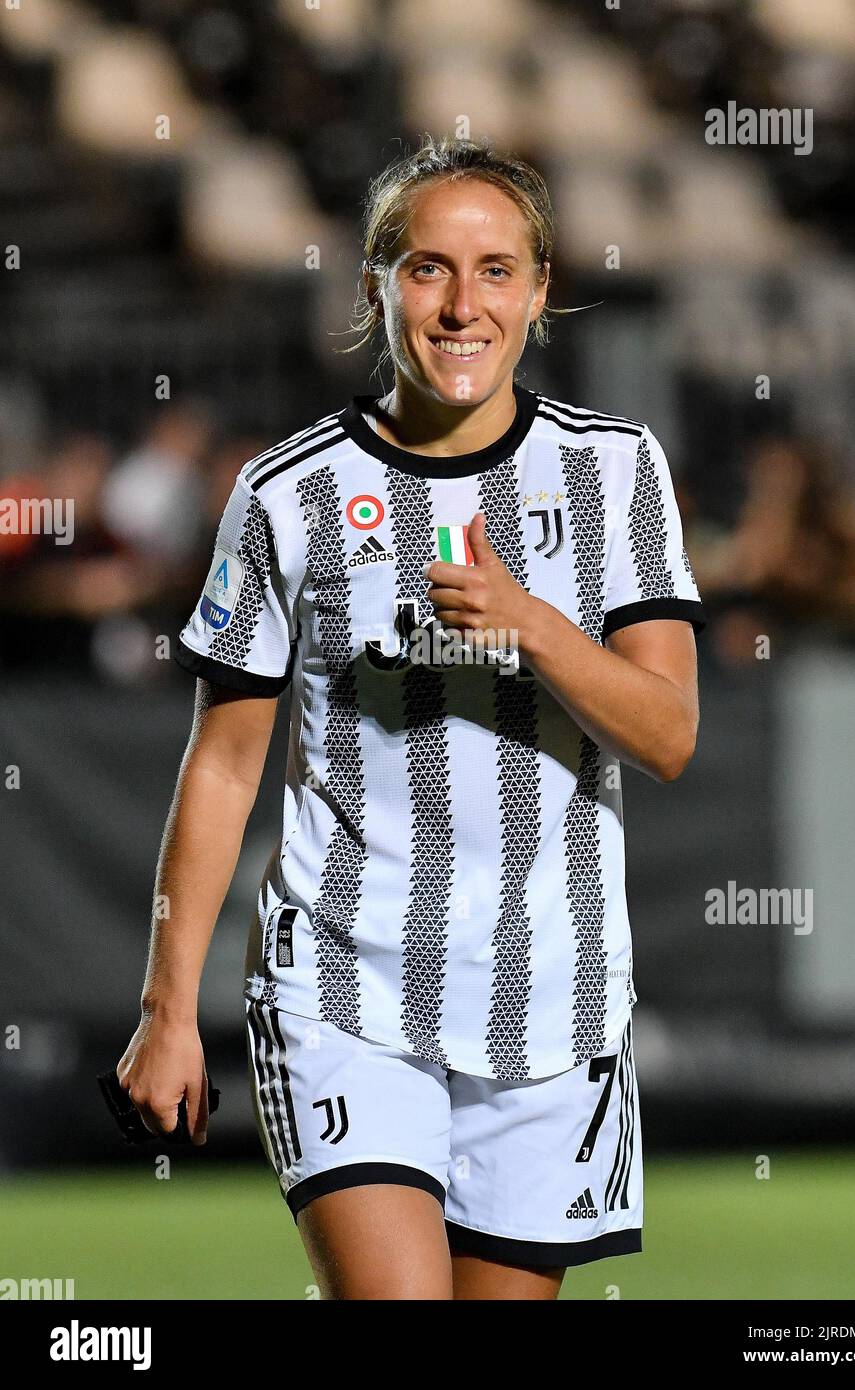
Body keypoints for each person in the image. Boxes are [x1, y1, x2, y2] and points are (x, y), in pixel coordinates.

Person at [117, 134, 705, 1301]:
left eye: (496, 271)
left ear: (539, 295)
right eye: (428, 267)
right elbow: (225, 769)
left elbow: (669, 732)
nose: (459, 304)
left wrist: (530, 624)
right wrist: (166, 1009)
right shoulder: (287, 492)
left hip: (556, 1000)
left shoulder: (615, 470)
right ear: (376, 283)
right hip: (343, 990)